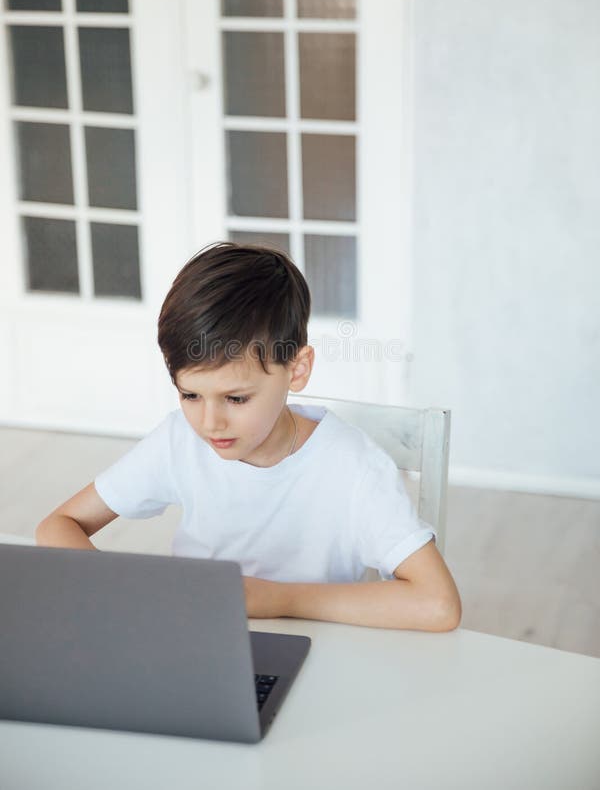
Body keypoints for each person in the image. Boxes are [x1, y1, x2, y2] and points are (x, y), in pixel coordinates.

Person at [36, 242, 461, 631]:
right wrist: (121, 593)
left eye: (236, 398)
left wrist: (279, 599)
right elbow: (58, 525)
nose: (210, 423)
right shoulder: (179, 441)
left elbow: (438, 604)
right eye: (190, 395)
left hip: (318, 655)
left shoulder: (352, 467)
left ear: (297, 370)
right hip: (194, 643)